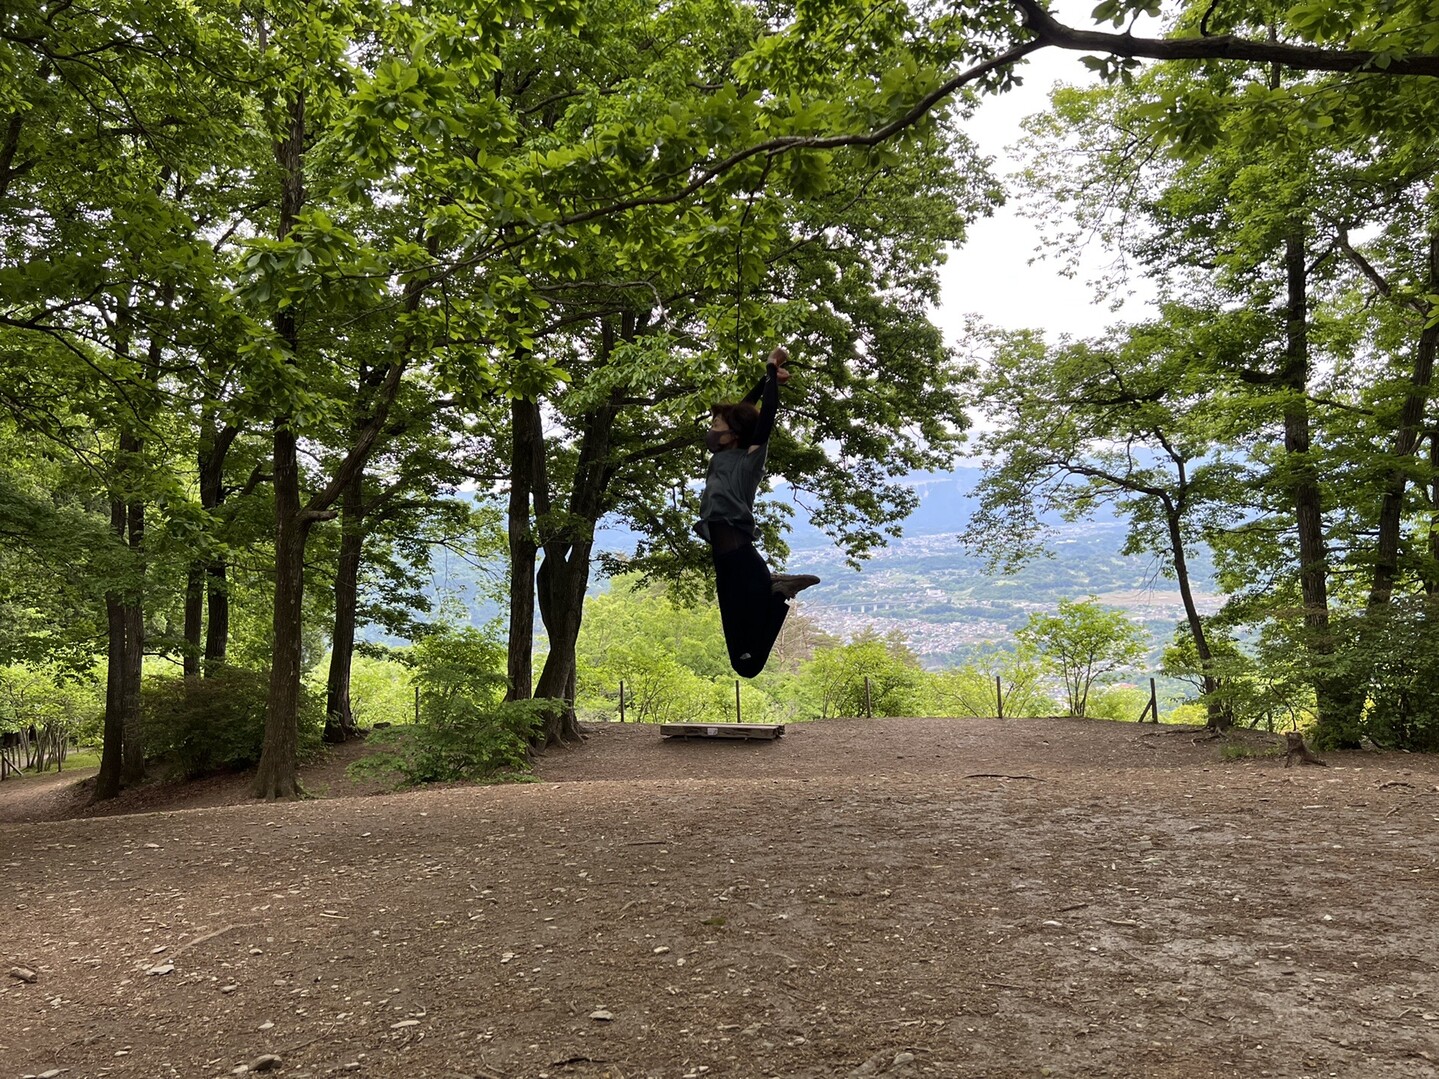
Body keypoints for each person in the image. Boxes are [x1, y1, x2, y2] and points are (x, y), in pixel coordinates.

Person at [695, 346, 820, 678]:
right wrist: (765, 379)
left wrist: (771, 371)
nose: (711, 428)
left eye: (716, 423)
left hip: (740, 557)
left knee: (746, 663)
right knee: (740, 652)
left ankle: (778, 591)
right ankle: (774, 587)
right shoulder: (720, 456)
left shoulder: (748, 461)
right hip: (727, 560)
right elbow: (745, 409)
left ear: (733, 435)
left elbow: (763, 420)